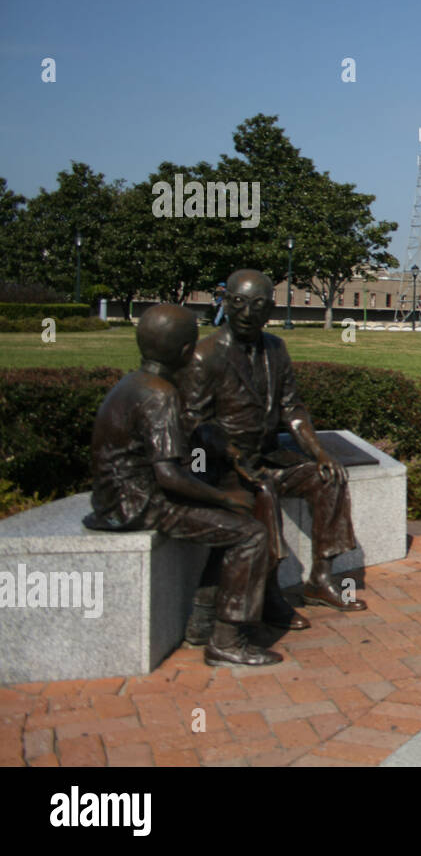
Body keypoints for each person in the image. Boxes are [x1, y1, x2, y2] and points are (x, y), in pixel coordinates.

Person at [83, 304, 281, 667]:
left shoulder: (132, 382)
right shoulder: (162, 395)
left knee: (229, 515)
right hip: (139, 506)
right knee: (250, 532)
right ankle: (227, 638)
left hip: (113, 501)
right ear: (186, 352)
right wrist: (224, 496)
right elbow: (169, 476)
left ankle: (203, 620)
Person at [178, 269, 367, 635]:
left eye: (258, 305)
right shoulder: (205, 356)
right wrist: (232, 454)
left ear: (271, 310)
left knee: (328, 477)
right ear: (226, 303)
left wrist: (319, 452)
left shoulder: (276, 349)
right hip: (225, 463)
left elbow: (292, 409)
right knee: (263, 492)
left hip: (268, 454)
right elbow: (195, 423)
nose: (248, 313)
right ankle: (270, 593)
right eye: (239, 303)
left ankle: (320, 578)